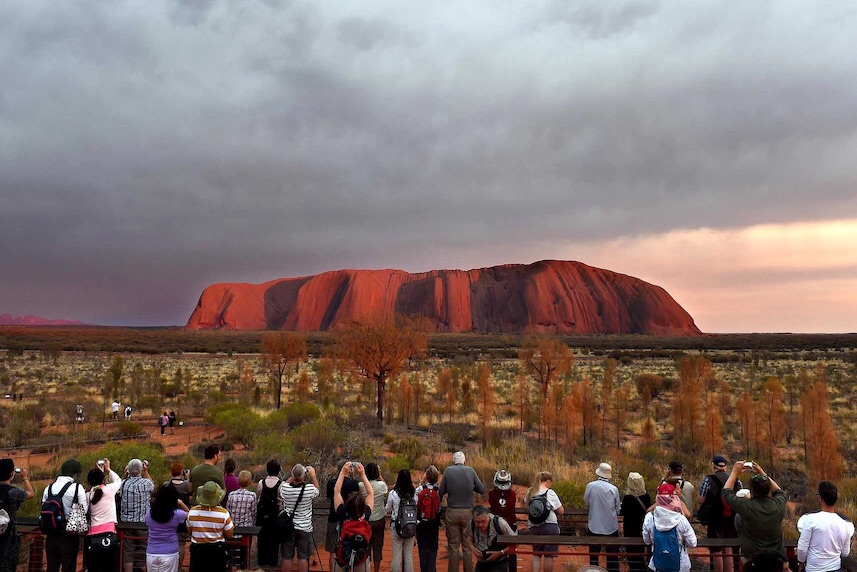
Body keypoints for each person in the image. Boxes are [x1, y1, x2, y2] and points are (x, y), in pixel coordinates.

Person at [723, 461, 787, 562]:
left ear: (752, 491)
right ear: (768, 489)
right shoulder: (778, 505)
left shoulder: (747, 506)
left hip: (753, 559)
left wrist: (734, 472)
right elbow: (779, 492)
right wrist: (762, 473)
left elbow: (726, 493)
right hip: (776, 557)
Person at [437, 451, 486, 572]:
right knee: (467, 546)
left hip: (452, 511)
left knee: (453, 546)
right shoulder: (470, 470)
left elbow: (441, 491)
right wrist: (470, 486)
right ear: (464, 461)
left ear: (453, 461)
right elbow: (482, 489)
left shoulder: (448, 471)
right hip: (468, 513)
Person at [697, 455, 743, 572]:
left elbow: (700, 500)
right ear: (726, 467)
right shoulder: (737, 480)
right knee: (728, 548)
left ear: (714, 466)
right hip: (732, 518)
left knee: (717, 550)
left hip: (714, 518)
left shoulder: (708, 480)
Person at [797, 481, 854, 572]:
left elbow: (802, 548)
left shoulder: (810, 519)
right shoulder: (846, 524)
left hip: (814, 569)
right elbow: (845, 553)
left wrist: (801, 563)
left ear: (820, 498)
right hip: (835, 568)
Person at [42, 458, 87, 572]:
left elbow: (43, 507)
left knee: (52, 567)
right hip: (69, 535)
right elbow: (84, 510)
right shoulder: (77, 488)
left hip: (51, 535)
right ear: (75, 473)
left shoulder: (49, 488)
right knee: (69, 567)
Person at [642, 483, 697, 572]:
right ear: (673, 497)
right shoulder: (681, 519)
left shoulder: (650, 517)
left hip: (657, 565)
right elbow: (693, 543)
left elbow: (646, 540)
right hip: (681, 565)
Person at [334, 461, 374, 572]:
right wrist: (363, 475)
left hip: (343, 556)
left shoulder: (343, 513)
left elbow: (336, 492)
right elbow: (371, 494)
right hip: (361, 557)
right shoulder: (365, 514)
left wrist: (342, 473)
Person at [280, 464, 321, 572]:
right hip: (304, 527)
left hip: (289, 528)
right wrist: (313, 476)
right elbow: (318, 491)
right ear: (304, 477)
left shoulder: (285, 489)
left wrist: (294, 475)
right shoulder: (309, 489)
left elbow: (285, 484)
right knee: (303, 557)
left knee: (287, 556)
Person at [187, 481, 234, 572]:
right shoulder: (223, 513)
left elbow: (189, 531)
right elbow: (229, 534)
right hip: (216, 552)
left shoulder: (192, 512)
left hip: (197, 552)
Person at [84, 459, 121, 572]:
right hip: (109, 534)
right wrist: (108, 469)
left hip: (92, 536)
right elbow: (118, 480)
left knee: (94, 567)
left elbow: (94, 490)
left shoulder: (88, 495)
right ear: (102, 479)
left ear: (89, 482)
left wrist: (99, 475)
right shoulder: (109, 490)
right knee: (109, 567)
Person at [118, 458, 155, 572]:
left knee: (128, 551)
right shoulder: (146, 483)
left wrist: (125, 475)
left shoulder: (124, 483)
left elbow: (118, 488)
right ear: (140, 469)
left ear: (128, 470)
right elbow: (153, 486)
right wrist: (146, 471)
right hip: (143, 524)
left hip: (127, 524)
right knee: (145, 548)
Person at [584, 463, 621, 572]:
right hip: (611, 526)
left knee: (594, 555)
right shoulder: (613, 489)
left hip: (594, 525)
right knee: (612, 556)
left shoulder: (590, 486)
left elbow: (586, 501)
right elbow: (617, 507)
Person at [525, 471, 564, 572]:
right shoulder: (549, 492)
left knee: (536, 554)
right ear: (548, 481)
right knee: (548, 555)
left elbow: (527, 508)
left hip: (533, 526)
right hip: (549, 525)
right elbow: (561, 511)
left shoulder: (530, 492)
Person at [0, 459, 34, 572]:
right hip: (8, 539)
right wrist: (25, 478)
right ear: (12, 473)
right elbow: (31, 494)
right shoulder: (14, 492)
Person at [146, 485, 189, 572]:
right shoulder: (177, 514)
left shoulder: (149, 513)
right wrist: (180, 503)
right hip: (170, 553)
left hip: (151, 553)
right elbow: (190, 514)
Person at [328, 460, 362, 571]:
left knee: (333, 550)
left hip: (334, 517)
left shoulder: (331, 483)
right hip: (350, 520)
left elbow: (331, 495)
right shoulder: (353, 483)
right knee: (350, 546)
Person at [359, 462, 388, 572]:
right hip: (379, 519)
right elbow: (386, 489)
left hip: (366, 520)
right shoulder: (381, 485)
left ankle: (366, 568)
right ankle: (376, 569)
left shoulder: (361, 486)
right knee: (378, 546)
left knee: (366, 546)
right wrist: (380, 476)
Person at [620, 472, 651, 572]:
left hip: (630, 530)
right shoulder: (646, 497)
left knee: (631, 555)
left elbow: (622, 512)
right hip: (642, 529)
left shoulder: (628, 498)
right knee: (640, 553)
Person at [469, 505, 515, 572]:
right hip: (482, 563)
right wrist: (473, 549)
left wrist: (500, 553)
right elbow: (468, 539)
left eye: (483, 521)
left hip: (499, 562)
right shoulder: (472, 524)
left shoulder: (500, 523)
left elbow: (515, 542)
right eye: (477, 522)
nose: (480, 525)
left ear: (489, 517)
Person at [386, 470, 416, 572]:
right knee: (408, 555)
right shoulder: (414, 493)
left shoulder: (393, 493)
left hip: (396, 526)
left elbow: (388, 509)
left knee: (396, 556)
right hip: (410, 526)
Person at [256, 459, 284, 569]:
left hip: (262, 517)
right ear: (278, 470)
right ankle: (272, 562)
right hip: (275, 517)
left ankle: (261, 562)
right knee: (274, 541)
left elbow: (258, 497)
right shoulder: (281, 484)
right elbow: (281, 501)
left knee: (262, 540)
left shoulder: (260, 483)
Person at [415, 466, 441, 572]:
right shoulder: (438, 490)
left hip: (421, 523)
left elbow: (416, 504)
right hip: (434, 523)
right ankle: (431, 569)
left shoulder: (420, 489)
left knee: (422, 548)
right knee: (432, 548)